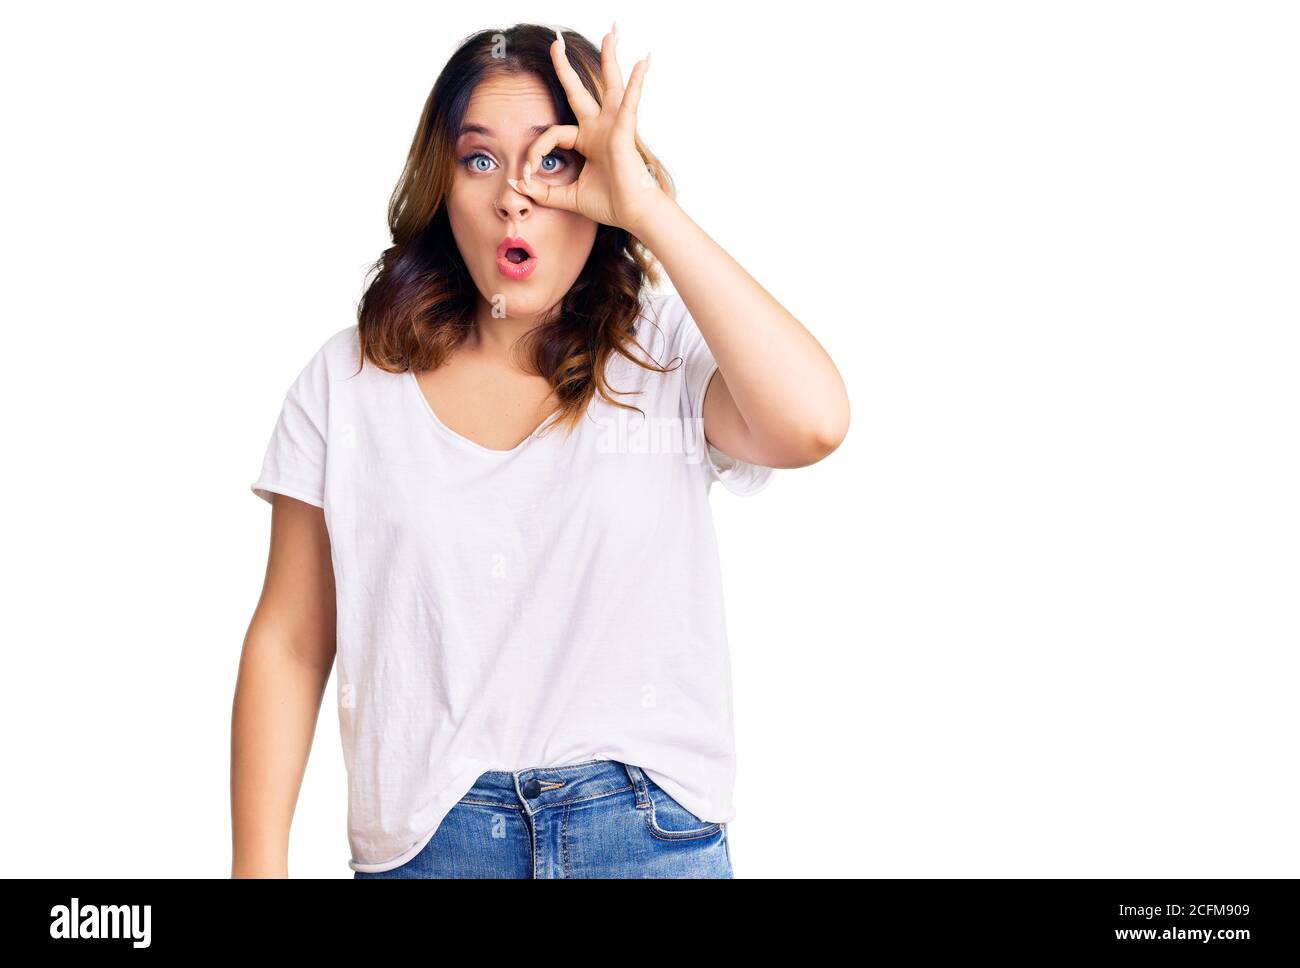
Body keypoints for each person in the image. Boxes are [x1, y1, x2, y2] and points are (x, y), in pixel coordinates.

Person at [232, 22, 849, 879]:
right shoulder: (347, 384)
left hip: (647, 838)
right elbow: (292, 640)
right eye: (480, 160)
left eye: (553, 159)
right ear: (441, 184)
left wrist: (649, 210)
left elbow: (812, 423)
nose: (514, 196)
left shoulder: (663, 352)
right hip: (428, 847)